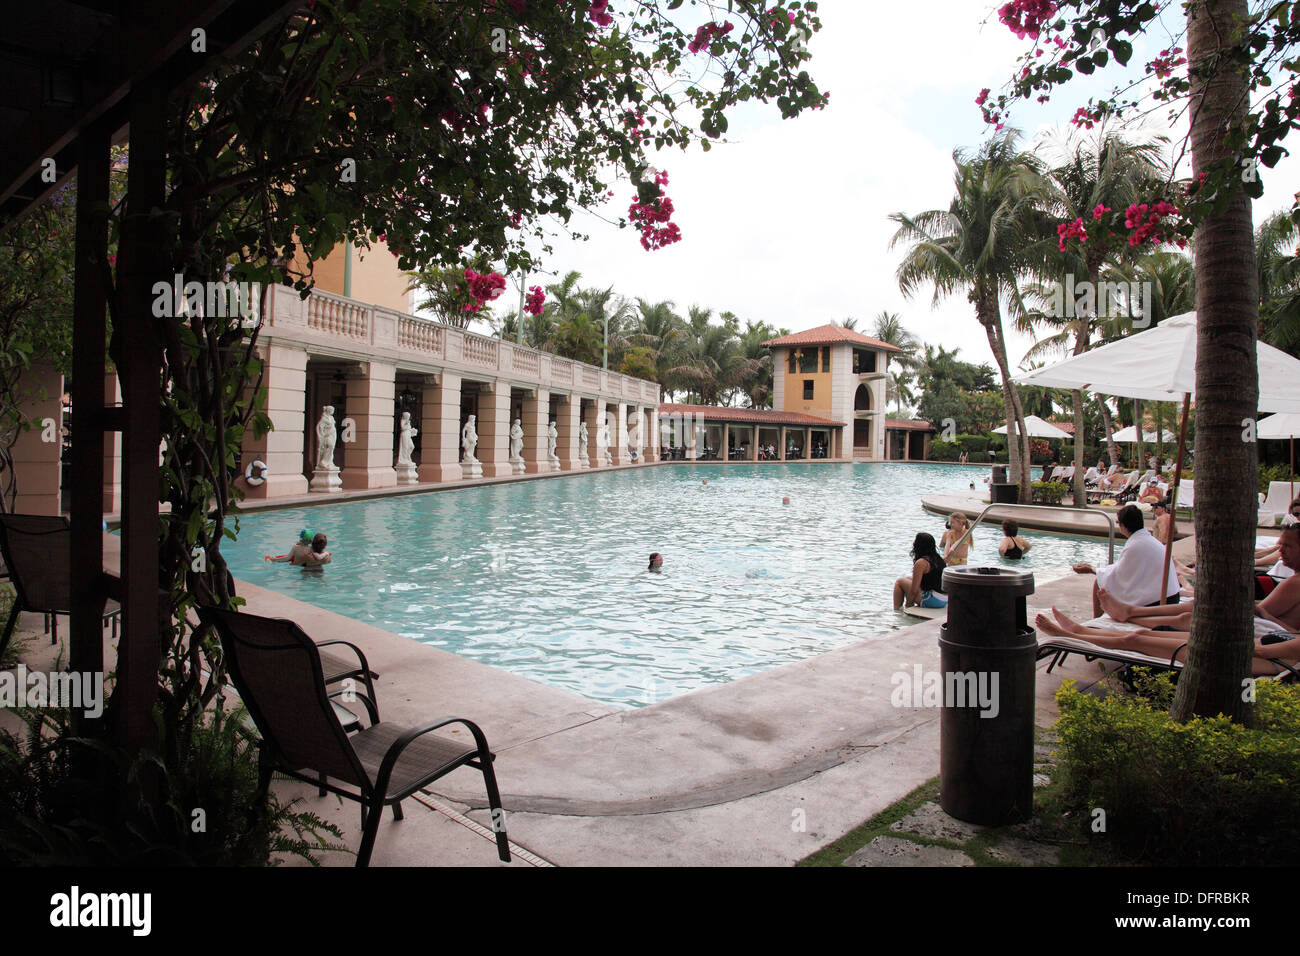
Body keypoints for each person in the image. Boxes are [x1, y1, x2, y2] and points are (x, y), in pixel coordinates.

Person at [1072, 504, 1179, 616]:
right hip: (1170, 596)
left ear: (1123, 526)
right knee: (1104, 578)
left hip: (1160, 601)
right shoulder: (1148, 540)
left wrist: (1092, 570)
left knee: (1100, 584)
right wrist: (1094, 569)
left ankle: (1096, 622)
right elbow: (1123, 570)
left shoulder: (1135, 545)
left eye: (1118, 523)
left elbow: (1118, 574)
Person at [893, 532, 947, 610]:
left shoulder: (921, 563)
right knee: (908, 578)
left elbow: (914, 591)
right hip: (944, 599)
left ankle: (897, 611)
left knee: (899, 581)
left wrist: (908, 606)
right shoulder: (938, 559)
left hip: (933, 601)